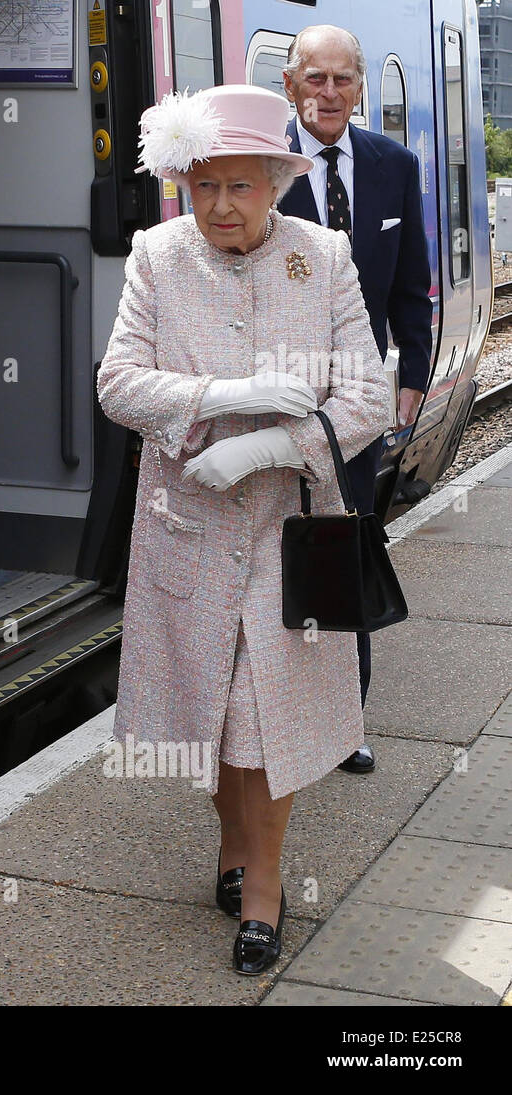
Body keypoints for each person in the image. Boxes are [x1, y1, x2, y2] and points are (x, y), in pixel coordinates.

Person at [96, 85, 392, 974]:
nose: (221, 206)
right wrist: (221, 400)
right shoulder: (156, 256)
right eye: (203, 186)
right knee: (211, 715)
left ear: (276, 181)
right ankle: (231, 846)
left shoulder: (326, 256)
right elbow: (118, 385)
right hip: (185, 524)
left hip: (291, 528)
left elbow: (367, 398)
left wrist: (272, 443)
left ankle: (263, 887)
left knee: (267, 717)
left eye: (241, 186)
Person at [278, 24, 433, 774]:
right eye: (316, 80)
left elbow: (411, 284)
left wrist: (411, 381)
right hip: (270, 398)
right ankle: (270, 717)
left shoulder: (394, 166)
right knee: (271, 558)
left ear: (361, 87)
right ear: (291, 85)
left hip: (357, 407)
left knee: (345, 547)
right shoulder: (256, 166)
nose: (330, 94)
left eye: (343, 80)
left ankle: (345, 722)